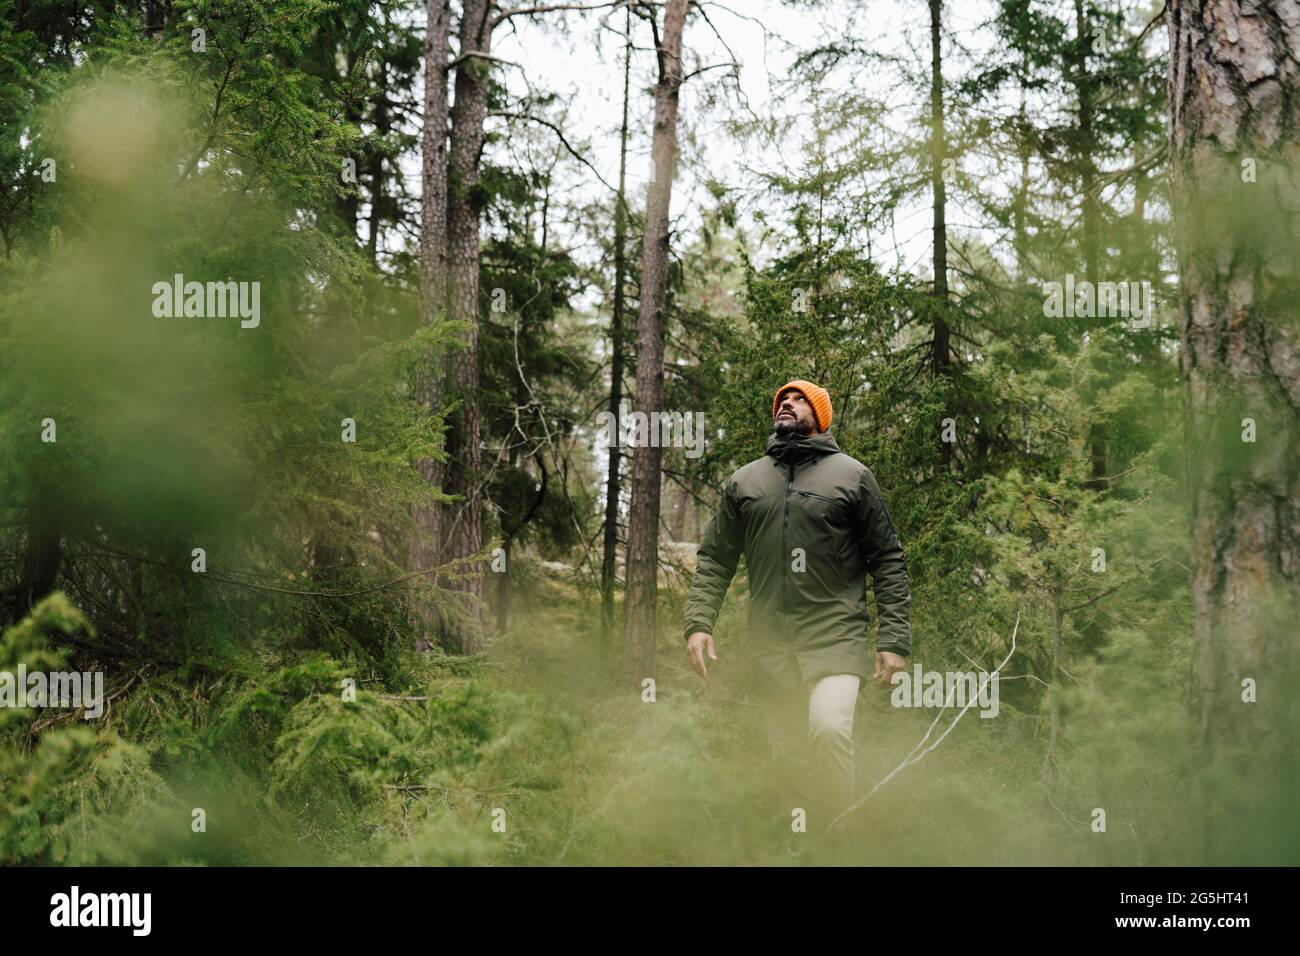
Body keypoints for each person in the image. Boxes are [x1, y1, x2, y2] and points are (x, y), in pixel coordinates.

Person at [683, 379, 912, 832]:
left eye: (799, 398)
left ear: (820, 415)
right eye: (782, 399)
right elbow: (715, 558)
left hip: (835, 637)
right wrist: (698, 623)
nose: (787, 403)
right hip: (772, 646)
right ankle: (799, 847)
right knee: (788, 760)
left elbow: (887, 559)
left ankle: (835, 846)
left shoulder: (852, 476)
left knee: (828, 730)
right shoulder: (747, 480)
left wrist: (893, 639)